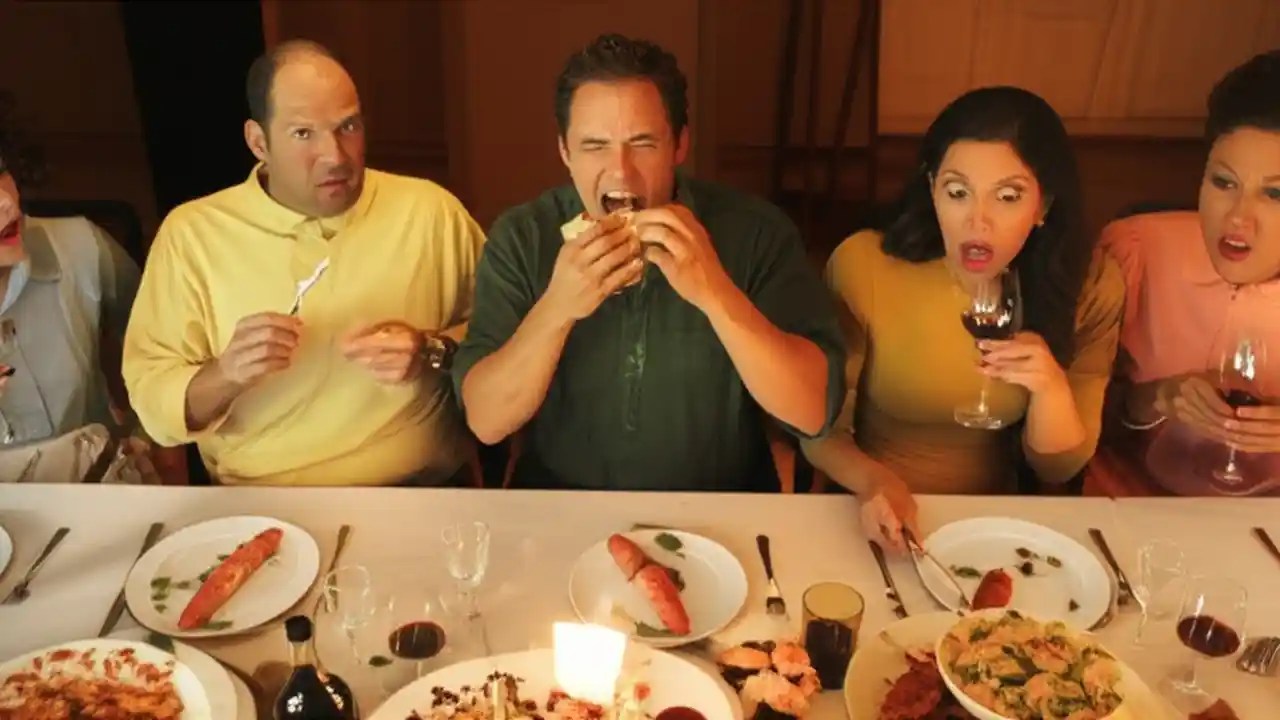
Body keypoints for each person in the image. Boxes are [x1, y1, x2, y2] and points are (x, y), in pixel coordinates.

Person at [452, 34, 844, 491]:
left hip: (722, 504)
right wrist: (556, 309)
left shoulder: (757, 232)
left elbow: (813, 410)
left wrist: (715, 292)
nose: (620, 170)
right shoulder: (522, 236)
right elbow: (485, 421)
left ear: (679, 145)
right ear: (565, 151)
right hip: (560, 504)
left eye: (643, 143)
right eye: (595, 145)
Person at [123, 40, 484, 485]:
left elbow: (504, 333)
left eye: (348, 126)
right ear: (259, 142)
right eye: (302, 134)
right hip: (265, 499)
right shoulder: (193, 234)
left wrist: (429, 350)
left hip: (422, 487)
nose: (335, 156)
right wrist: (227, 374)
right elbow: (152, 400)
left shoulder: (430, 211)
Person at [802, 87, 1124, 550]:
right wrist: (874, 482)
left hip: (997, 527)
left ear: (1043, 207)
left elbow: (1059, 468)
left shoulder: (1089, 283)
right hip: (875, 512)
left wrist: (1050, 387)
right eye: (958, 192)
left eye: (1008, 196)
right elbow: (818, 430)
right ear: (932, 189)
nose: (979, 222)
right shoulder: (865, 264)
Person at [1100, 50, 1280, 496]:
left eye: (1275, 194)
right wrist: (1160, 397)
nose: (1239, 218)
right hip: (1125, 517)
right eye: (1224, 183)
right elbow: (1074, 423)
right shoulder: (1136, 250)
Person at [0, 93, 180, 481]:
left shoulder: (79, 248)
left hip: (104, 494)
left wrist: (153, 442)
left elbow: (171, 352)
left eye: (0, 171)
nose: (7, 204)